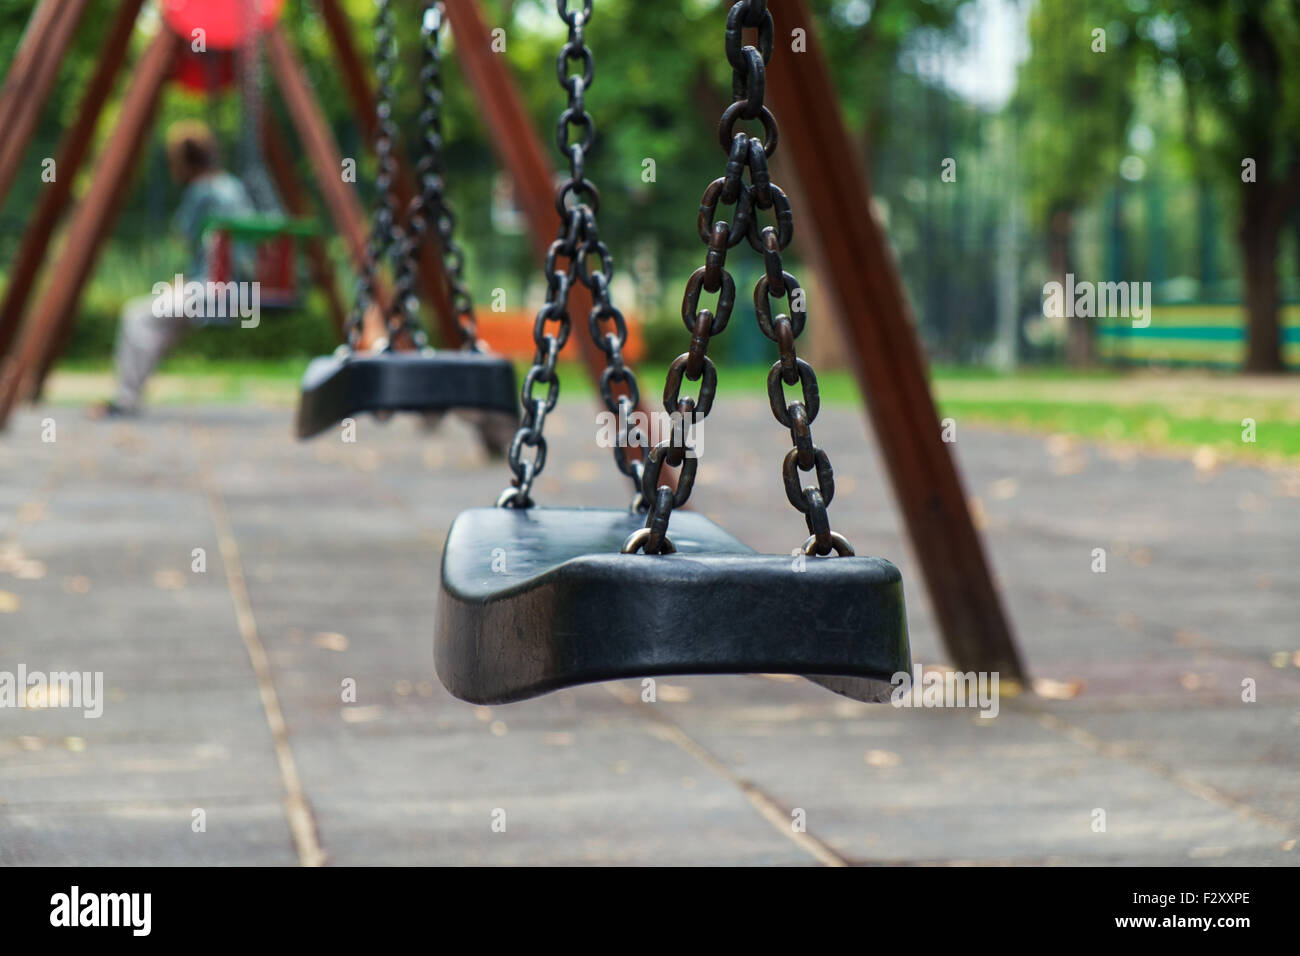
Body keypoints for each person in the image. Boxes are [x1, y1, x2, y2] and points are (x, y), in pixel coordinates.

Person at [94, 121, 256, 417]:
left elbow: (182, 235)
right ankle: (130, 395)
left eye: (175, 163)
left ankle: (126, 398)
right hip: (241, 287)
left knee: (136, 316)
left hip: (214, 288)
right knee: (158, 328)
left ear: (186, 162)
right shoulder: (232, 185)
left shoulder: (201, 191)